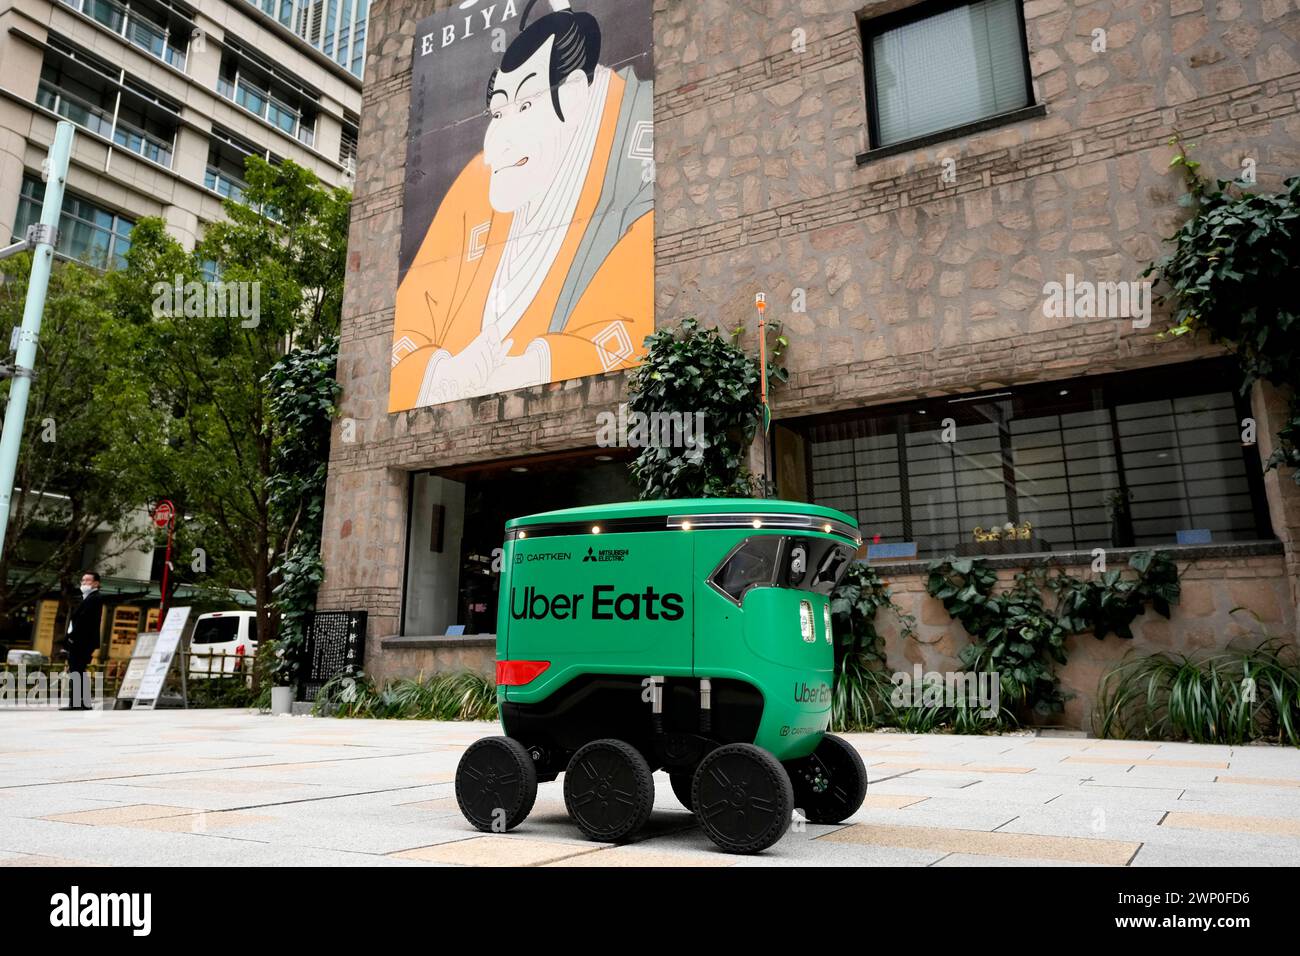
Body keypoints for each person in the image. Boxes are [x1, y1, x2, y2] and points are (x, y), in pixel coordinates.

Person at [390, 0, 654, 410]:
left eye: (527, 104)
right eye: (498, 110)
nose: (498, 140)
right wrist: (444, 373)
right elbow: (410, 325)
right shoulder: (479, 186)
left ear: (575, 93)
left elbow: (629, 328)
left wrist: (531, 367)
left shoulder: (635, 154)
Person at [62, 571, 104, 710]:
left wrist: (72, 638)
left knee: (76, 670)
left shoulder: (94, 598)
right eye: (82, 581)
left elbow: (84, 622)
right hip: (81, 641)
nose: (84, 583)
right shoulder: (88, 598)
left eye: (88, 581)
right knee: (79, 670)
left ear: (96, 583)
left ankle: (77, 703)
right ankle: (83, 702)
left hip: (82, 641)